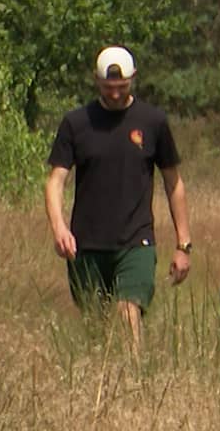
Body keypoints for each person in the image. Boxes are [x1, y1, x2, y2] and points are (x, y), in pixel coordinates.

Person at [43, 46, 192, 350]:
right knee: (96, 330)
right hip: (86, 247)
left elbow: (173, 183)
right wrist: (59, 228)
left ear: (133, 78)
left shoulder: (153, 121)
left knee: (127, 314)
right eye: (108, 87)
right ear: (96, 80)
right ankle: (102, 379)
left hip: (136, 242)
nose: (114, 93)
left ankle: (134, 378)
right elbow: (55, 181)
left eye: (122, 87)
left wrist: (183, 244)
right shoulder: (76, 123)